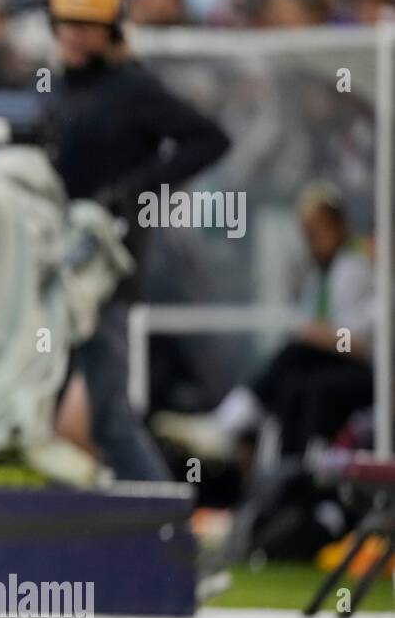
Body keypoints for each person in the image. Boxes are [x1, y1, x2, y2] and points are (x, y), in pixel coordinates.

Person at [46, 0, 230, 481]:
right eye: (67, 24)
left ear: (111, 31)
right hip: (51, 261)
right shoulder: (55, 87)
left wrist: (140, 189)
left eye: (88, 25)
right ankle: (39, 528)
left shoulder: (133, 87)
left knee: (108, 413)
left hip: (108, 263)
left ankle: (165, 522)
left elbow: (208, 138)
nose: (76, 35)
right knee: (36, 404)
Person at [154, 182, 375, 459]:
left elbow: (356, 342)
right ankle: (286, 473)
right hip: (330, 364)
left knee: (297, 356)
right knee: (293, 384)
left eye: (318, 232)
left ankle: (227, 424)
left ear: (338, 226)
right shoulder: (318, 278)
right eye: (308, 235)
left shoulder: (354, 268)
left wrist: (319, 337)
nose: (313, 243)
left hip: (361, 368)